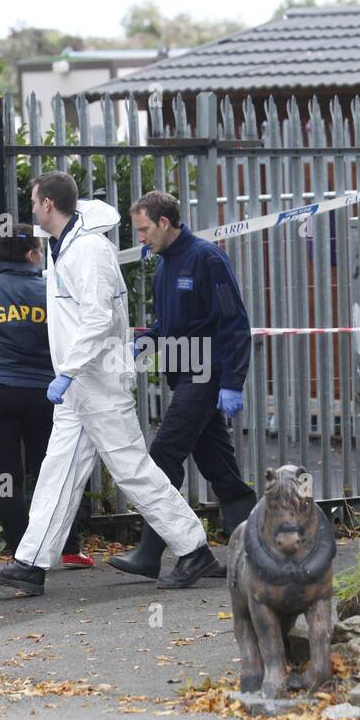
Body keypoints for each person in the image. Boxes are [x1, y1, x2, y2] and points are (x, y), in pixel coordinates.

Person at [0, 172, 220, 597]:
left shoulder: (86, 250)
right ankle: (30, 562)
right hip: (81, 383)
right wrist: (69, 375)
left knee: (131, 469)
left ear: (48, 204)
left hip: (96, 381)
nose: (31, 209)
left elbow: (97, 317)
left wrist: (68, 369)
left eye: (34, 201)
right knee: (59, 469)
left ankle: (194, 548)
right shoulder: (66, 246)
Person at [108, 191, 256, 579]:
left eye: (143, 229)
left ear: (164, 222)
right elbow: (168, 325)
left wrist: (233, 382)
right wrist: (147, 340)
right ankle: (258, 555)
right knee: (218, 466)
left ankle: (156, 553)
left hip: (206, 374)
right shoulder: (163, 266)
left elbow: (234, 323)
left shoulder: (206, 259)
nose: (140, 238)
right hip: (185, 373)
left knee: (164, 453)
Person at [0, 225, 94, 568]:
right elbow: (73, 338)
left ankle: (21, 553)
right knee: (53, 469)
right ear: (33, 253)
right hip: (45, 394)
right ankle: (68, 546)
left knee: (6, 474)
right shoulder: (51, 291)